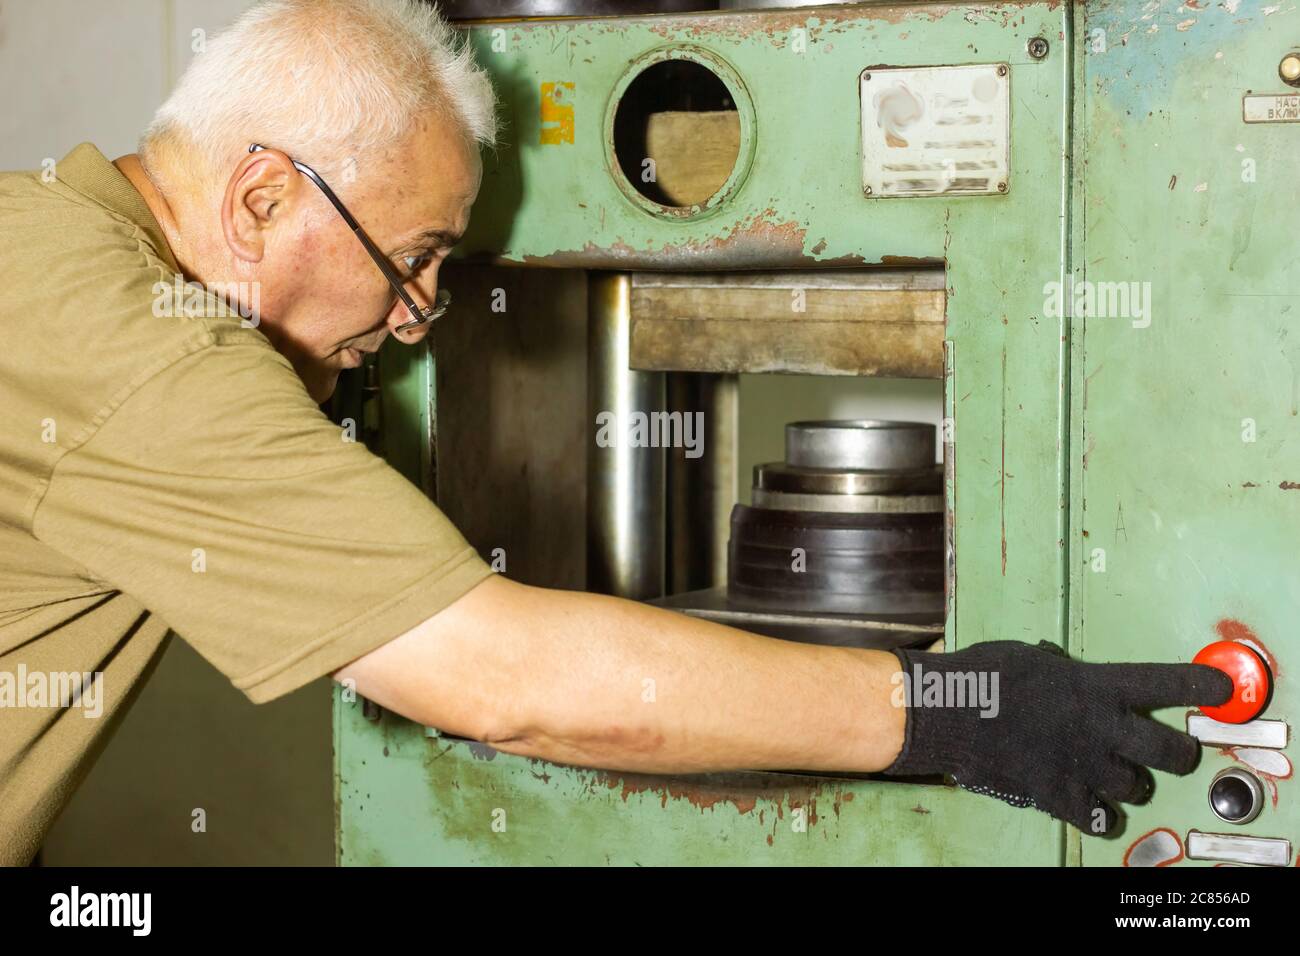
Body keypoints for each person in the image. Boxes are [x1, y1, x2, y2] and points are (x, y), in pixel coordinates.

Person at [0, 0, 1231, 866]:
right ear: (262, 198)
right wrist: (952, 704)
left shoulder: (39, 238)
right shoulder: (134, 348)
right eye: (414, 259)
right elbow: (499, 674)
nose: (421, 317)